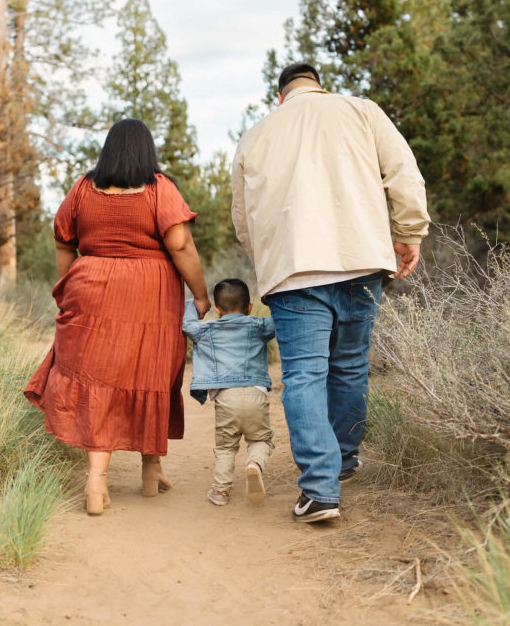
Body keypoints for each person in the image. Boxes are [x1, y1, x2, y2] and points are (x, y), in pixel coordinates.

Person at [231, 62, 430, 523]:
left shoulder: (256, 135)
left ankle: (320, 491)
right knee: (350, 365)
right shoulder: (361, 111)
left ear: (280, 97)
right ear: (320, 87)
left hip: (295, 272)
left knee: (303, 375)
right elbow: (403, 172)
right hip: (361, 260)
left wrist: (270, 258)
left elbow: (244, 218)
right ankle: (341, 461)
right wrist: (409, 233)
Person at [25, 118, 211, 516]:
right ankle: (148, 471)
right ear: (147, 151)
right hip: (150, 294)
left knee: (100, 378)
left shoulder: (82, 188)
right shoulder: (160, 188)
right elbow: (180, 246)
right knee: (151, 375)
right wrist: (200, 294)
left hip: (91, 287)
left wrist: (67, 288)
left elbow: (63, 240)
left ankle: (99, 479)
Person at [183, 278, 276, 507]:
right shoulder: (258, 326)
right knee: (261, 439)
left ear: (217, 309)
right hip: (256, 394)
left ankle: (220, 492)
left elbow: (187, 325)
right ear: (250, 307)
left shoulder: (207, 330)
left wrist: (194, 305)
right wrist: (274, 299)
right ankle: (255, 463)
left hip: (226, 398)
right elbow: (278, 322)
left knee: (226, 447)